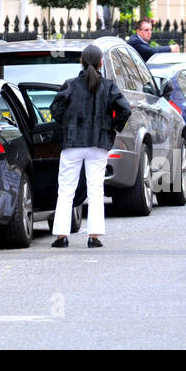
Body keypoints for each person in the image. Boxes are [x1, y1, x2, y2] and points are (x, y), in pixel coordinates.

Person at [48, 45, 130, 248]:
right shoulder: (109, 86)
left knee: (66, 189)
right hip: (99, 143)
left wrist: (67, 124)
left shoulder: (70, 85)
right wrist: (111, 126)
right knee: (95, 189)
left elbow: (55, 109)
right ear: (101, 63)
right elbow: (125, 110)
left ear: (81, 62)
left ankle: (61, 235)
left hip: (73, 142)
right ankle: (93, 236)